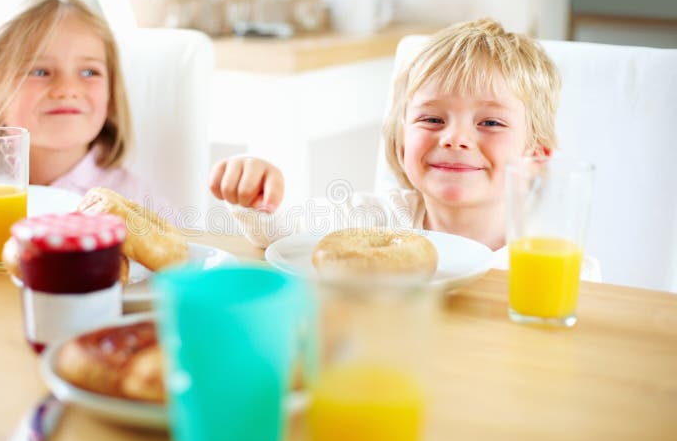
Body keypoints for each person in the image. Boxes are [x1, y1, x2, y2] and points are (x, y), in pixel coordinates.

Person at [208, 18, 600, 279]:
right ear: (399, 139)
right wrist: (256, 194)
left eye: (490, 123)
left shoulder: (552, 258)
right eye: (432, 119)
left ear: (536, 156)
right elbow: (285, 236)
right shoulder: (379, 219)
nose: (454, 139)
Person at [0, 0, 153, 204]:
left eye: (90, 73)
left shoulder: (136, 204)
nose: (67, 89)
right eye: (39, 72)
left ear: (111, 97)